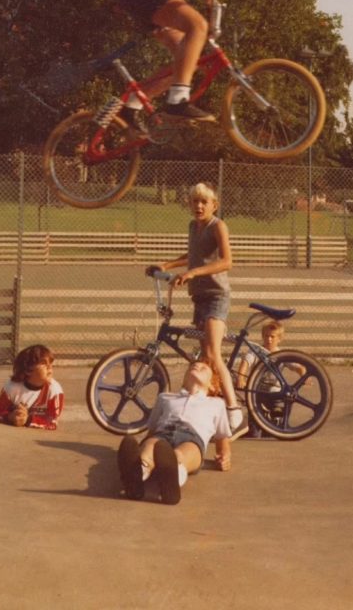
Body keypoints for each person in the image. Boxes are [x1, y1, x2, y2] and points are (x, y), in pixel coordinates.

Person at [148, 181, 246, 438]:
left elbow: (226, 262)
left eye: (205, 202)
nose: (199, 206)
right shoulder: (194, 226)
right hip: (199, 297)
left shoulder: (218, 226)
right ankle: (212, 408)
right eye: (195, 202)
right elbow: (193, 255)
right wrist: (167, 265)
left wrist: (192, 273)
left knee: (213, 353)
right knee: (204, 359)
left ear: (214, 205)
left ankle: (234, 409)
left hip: (216, 296)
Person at [117, 359, 231, 505]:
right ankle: (136, 476)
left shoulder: (216, 404)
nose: (196, 366)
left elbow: (222, 438)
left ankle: (171, 484)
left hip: (192, 437)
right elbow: (152, 430)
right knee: (150, 449)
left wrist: (225, 456)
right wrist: (142, 448)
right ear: (184, 379)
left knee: (180, 455)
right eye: (193, 366)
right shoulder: (165, 397)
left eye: (203, 368)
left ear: (212, 385)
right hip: (163, 433)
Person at [0, 344, 64, 430]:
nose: (49, 367)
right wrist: (10, 417)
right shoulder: (12, 387)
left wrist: (28, 419)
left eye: (50, 363)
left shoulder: (54, 390)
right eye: (43, 363)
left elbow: (53, 421)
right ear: (28, 370)